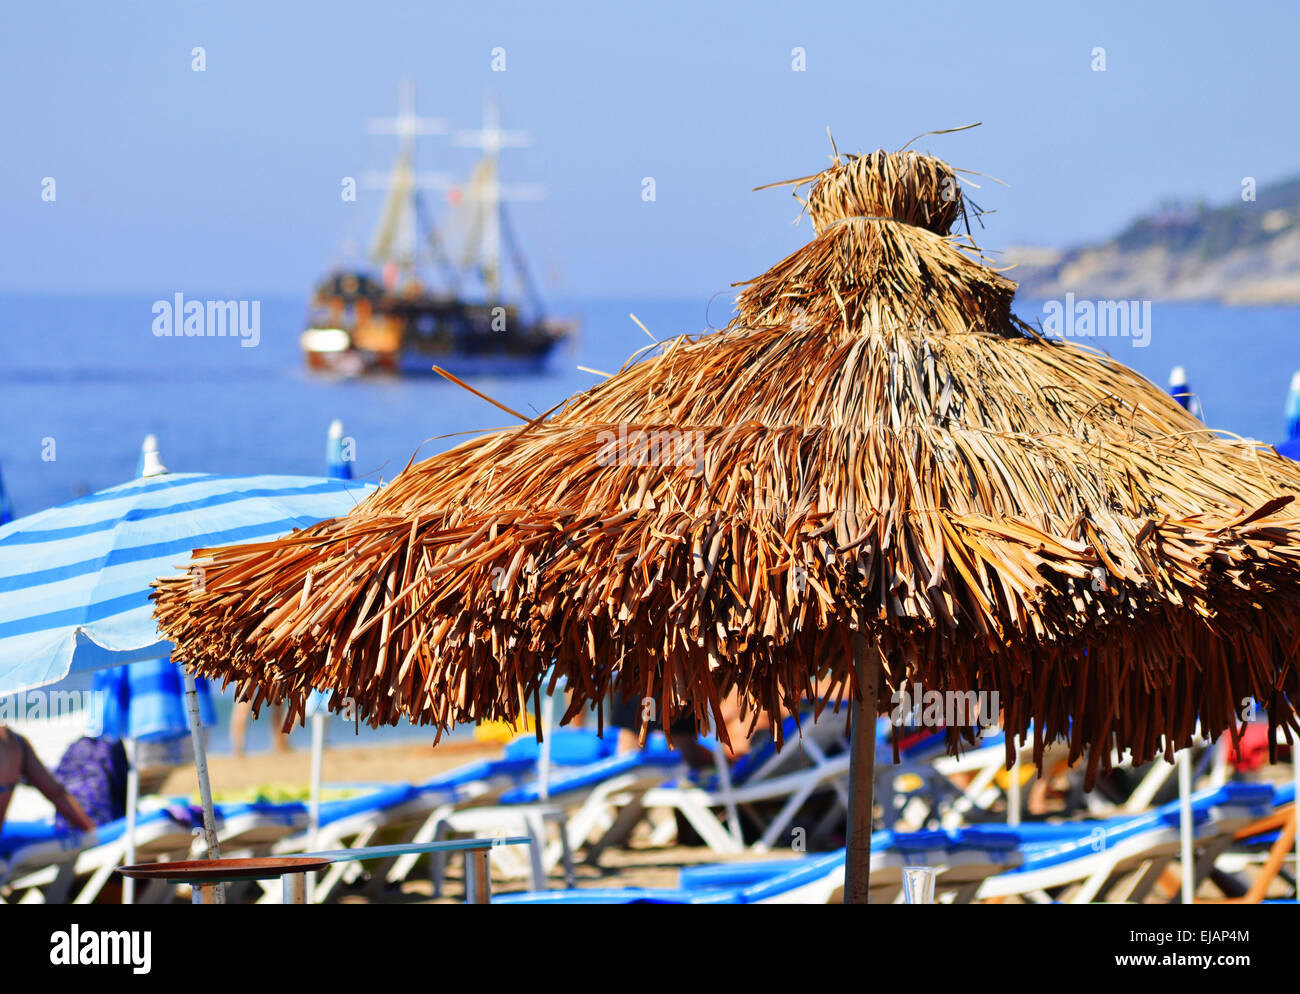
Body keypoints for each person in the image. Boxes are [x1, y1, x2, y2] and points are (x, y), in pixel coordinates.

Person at [0, 725, 96, 835]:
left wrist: (94, 836)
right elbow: (56, 794)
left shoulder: (17, 743)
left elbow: (56, 794)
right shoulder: (16, 743)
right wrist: (93, 833)